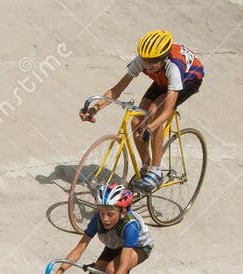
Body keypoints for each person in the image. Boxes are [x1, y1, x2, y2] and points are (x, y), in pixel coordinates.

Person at [81, 30, 204, 192]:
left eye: (152, 62)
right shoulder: (143, 60)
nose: (147, 65)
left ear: (165, 57)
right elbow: (117, 89)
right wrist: (95, 108)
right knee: (136, 121)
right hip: (163, 78)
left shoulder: (174, 67)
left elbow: (166, 112)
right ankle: (146, 167)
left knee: (154, 116)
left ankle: (156, 171)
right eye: (145, 61)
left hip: (189, 79)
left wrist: (151, 127)